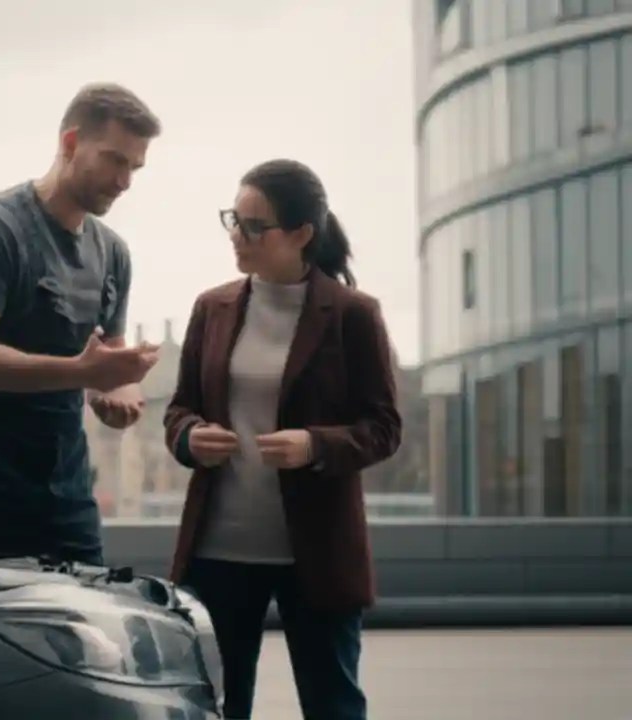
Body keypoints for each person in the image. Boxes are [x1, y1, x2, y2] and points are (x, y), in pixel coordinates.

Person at [162, 159, 401, 720]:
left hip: (316, 552)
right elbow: (178, 410)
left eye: (252, 226)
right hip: (219, 550)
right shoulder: (212, 308)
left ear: (301, 235)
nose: (235, 236)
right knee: (215, 707)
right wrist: (191, 437)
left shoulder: (353, 315)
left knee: (333, 705)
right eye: (232, 220)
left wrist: (315, 445)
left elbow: (384, 428)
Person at [0, 82, 162, 566]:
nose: (124, 181)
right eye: (115, 160)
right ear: (70, 144)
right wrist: (83, 375)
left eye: (134, 168)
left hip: (67, 487)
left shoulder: (113, 252)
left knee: (83, 630)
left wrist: (118, 394)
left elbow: (109, 365)